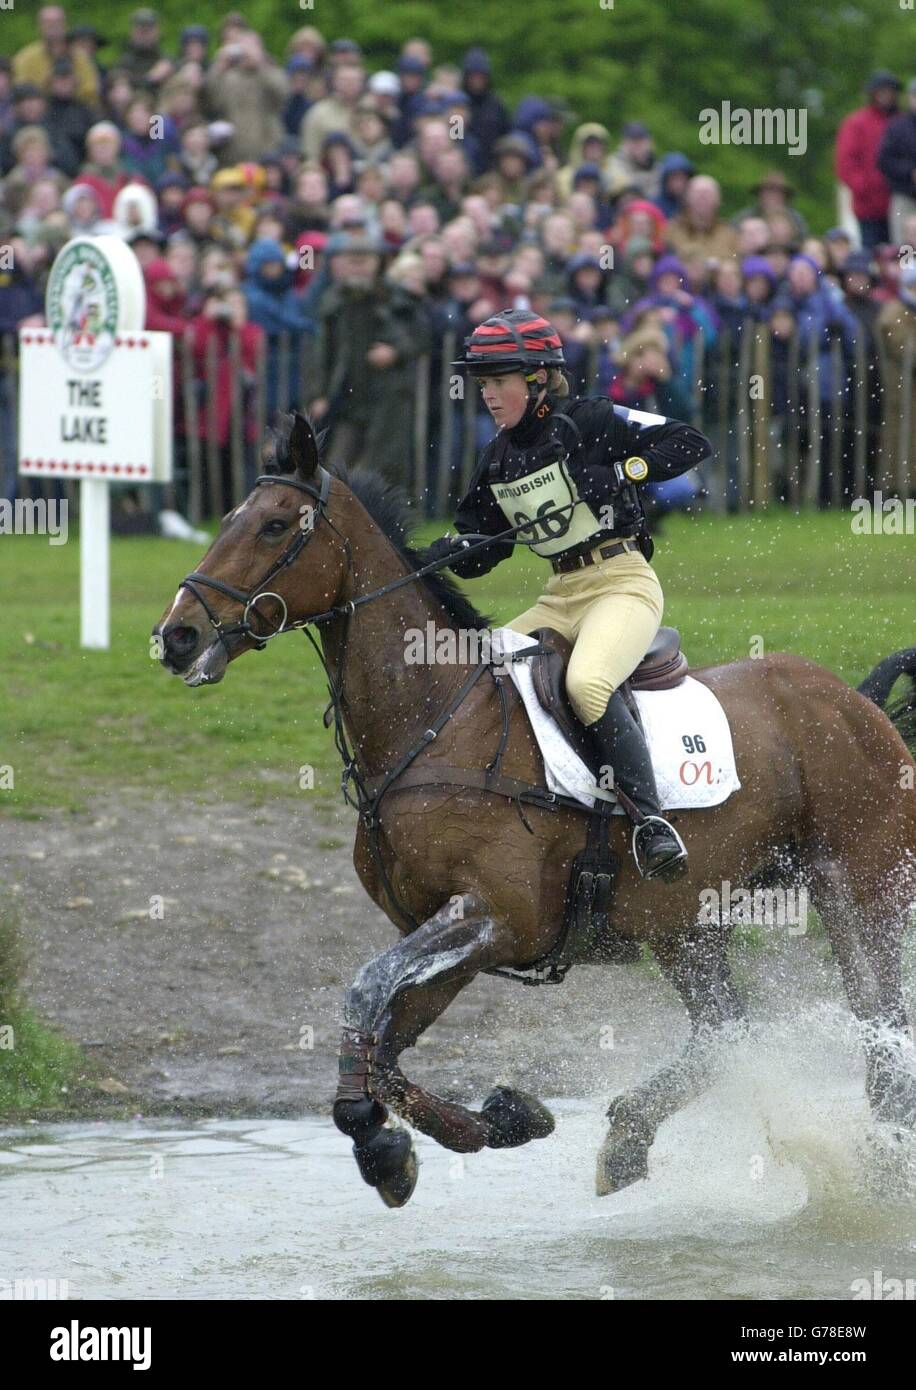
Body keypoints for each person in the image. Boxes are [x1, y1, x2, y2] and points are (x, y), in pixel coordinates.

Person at [423, 309, 712, 880]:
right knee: (480, 676)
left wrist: (626, 470)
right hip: (560, 595)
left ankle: (652, 822)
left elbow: (689, 442)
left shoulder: (593, 419)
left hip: (622, 583)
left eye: (499, 381)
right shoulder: (499, 457)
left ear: (536, 380)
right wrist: (445, 554)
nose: (488, 395)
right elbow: (486, 551)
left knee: (586, 683)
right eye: (482, 384)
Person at [835, 71, 900, 249]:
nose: (885, 96)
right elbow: (846, 163)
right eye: (881, 91)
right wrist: (865, 187)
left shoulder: (903, 122)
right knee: (872, 254)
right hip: (869, 206)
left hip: (900, 202)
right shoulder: (856, 123)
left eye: (889, 91)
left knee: (903, 255)